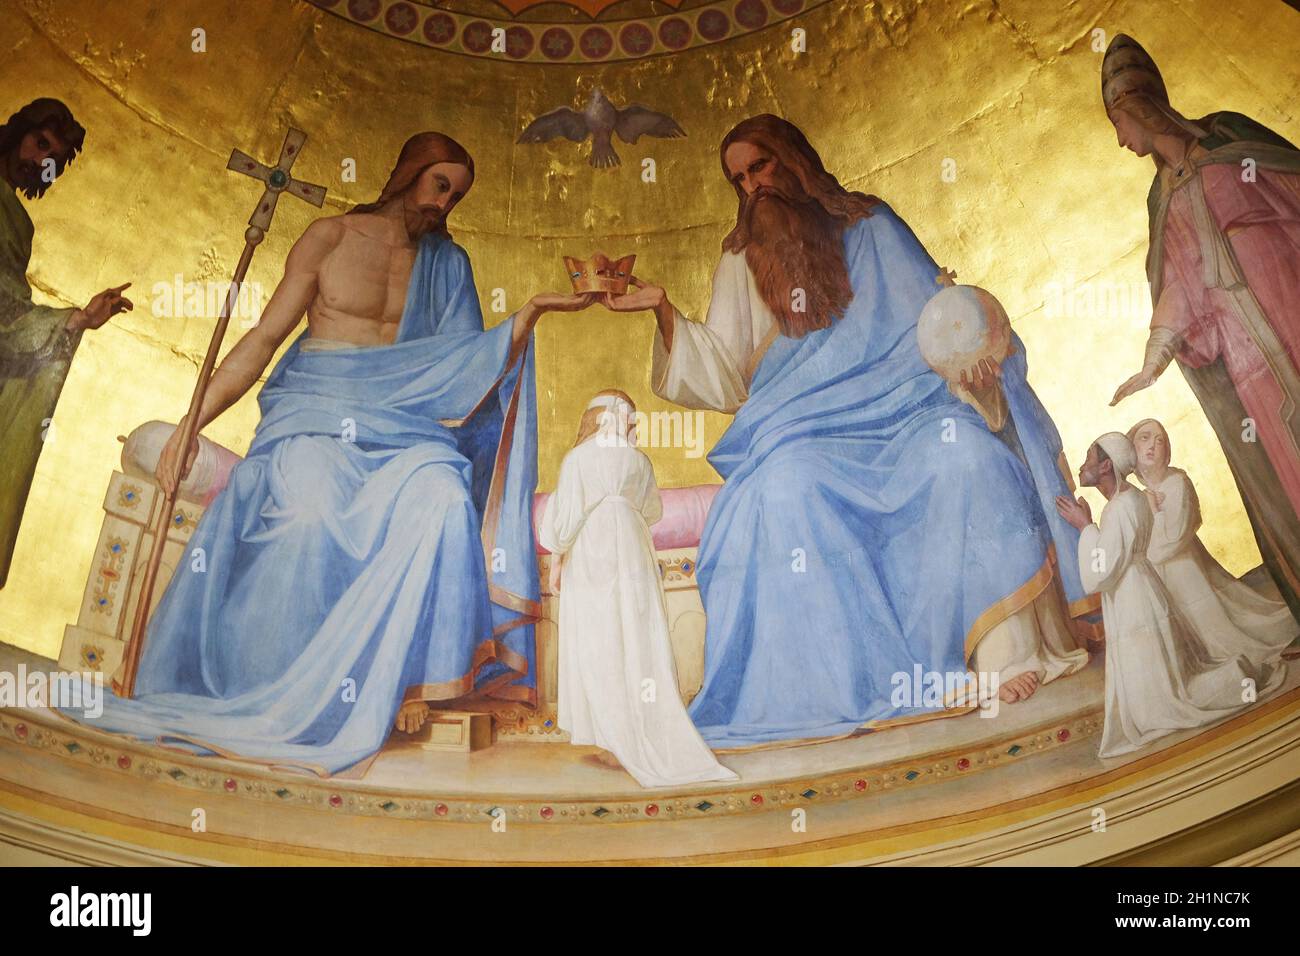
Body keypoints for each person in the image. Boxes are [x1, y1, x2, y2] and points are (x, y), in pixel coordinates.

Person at [59, 132, 596, 776]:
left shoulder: (450, 266)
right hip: (315, 418)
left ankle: (408, 684)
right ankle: (269, 692)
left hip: (406, 431)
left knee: (444, 499)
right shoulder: (331, 237)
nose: (445, 205)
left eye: (456, 195)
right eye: (439, 185)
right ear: (407, 174)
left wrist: (531, 312)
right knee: (309, 512)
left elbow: (462, 369)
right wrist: (189, 423)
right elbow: (261, 342)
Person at [600, 114, 1088, 748]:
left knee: (966, 456)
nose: (753, 187)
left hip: (911, 412)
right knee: (782, 493)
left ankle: (1001, 658)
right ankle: (864, 687)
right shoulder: (740, 261)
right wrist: (664, 311)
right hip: (803, 432)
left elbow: (941, 323)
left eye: (761, 167)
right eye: (739, 179)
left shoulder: (871, 225)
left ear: (793, 159)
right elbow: (723, 374)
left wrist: (977, 366)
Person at [1102, 34, 1300, 619]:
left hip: (1289, 303)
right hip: (1245, 356)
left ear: (1139, 107)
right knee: (1285, 451)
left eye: (1119, 122)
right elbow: (1180, 291)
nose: (1120, 140)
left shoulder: (1228, 141)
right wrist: (1152, 360)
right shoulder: (1163, 198)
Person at [539, 389, 737, 787]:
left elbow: (562, 521)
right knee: (637, 638)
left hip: (592, 550)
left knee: (602, 640)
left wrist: (558, 556)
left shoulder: (578, 459)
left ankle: (615, 738)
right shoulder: (638, 460)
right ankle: (639, 732)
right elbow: (653, 511)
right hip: (632, 545)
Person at [1056, 433, 1283, 758]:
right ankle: (1234, 675)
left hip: (1133, 599)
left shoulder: (1117, 510)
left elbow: (1097, 575)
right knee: (1167, 677)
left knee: (1155, 700)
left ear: (1106, 466)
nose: (1083, 463)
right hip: (1143, 589)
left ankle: (1234, 678)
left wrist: (1084, 527)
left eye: (1091, 457)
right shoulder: (1133, 497)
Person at [1, 97, 133, 588]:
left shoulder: (16, 222)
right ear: (19, 130)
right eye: (40, 144)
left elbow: (6, 313)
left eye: (51, 160)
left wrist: (75, 321)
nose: (40, 162)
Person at [1128, 417, 1298, 666]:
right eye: (1144, 438)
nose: (1152, 445)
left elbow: (1172, 541)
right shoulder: (1136, 495)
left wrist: (1156, 513)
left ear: (1168, 452)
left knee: (1228, 636)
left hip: (1189, 577)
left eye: (1160, 440)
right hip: (1164, 582)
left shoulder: (1178, 483)